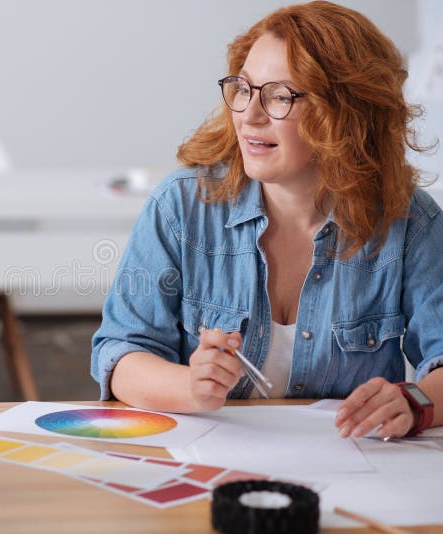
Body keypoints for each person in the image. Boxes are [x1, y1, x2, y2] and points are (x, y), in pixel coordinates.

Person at [91, 1, 442, 439]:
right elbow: (120, 352)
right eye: (244, 89)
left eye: (280, 96)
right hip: (204, 472)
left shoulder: (409, 222)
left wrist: (415, 402)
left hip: (350, 477)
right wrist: (189, 386)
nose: (249, 115)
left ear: (347, 114)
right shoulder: (181, 205)